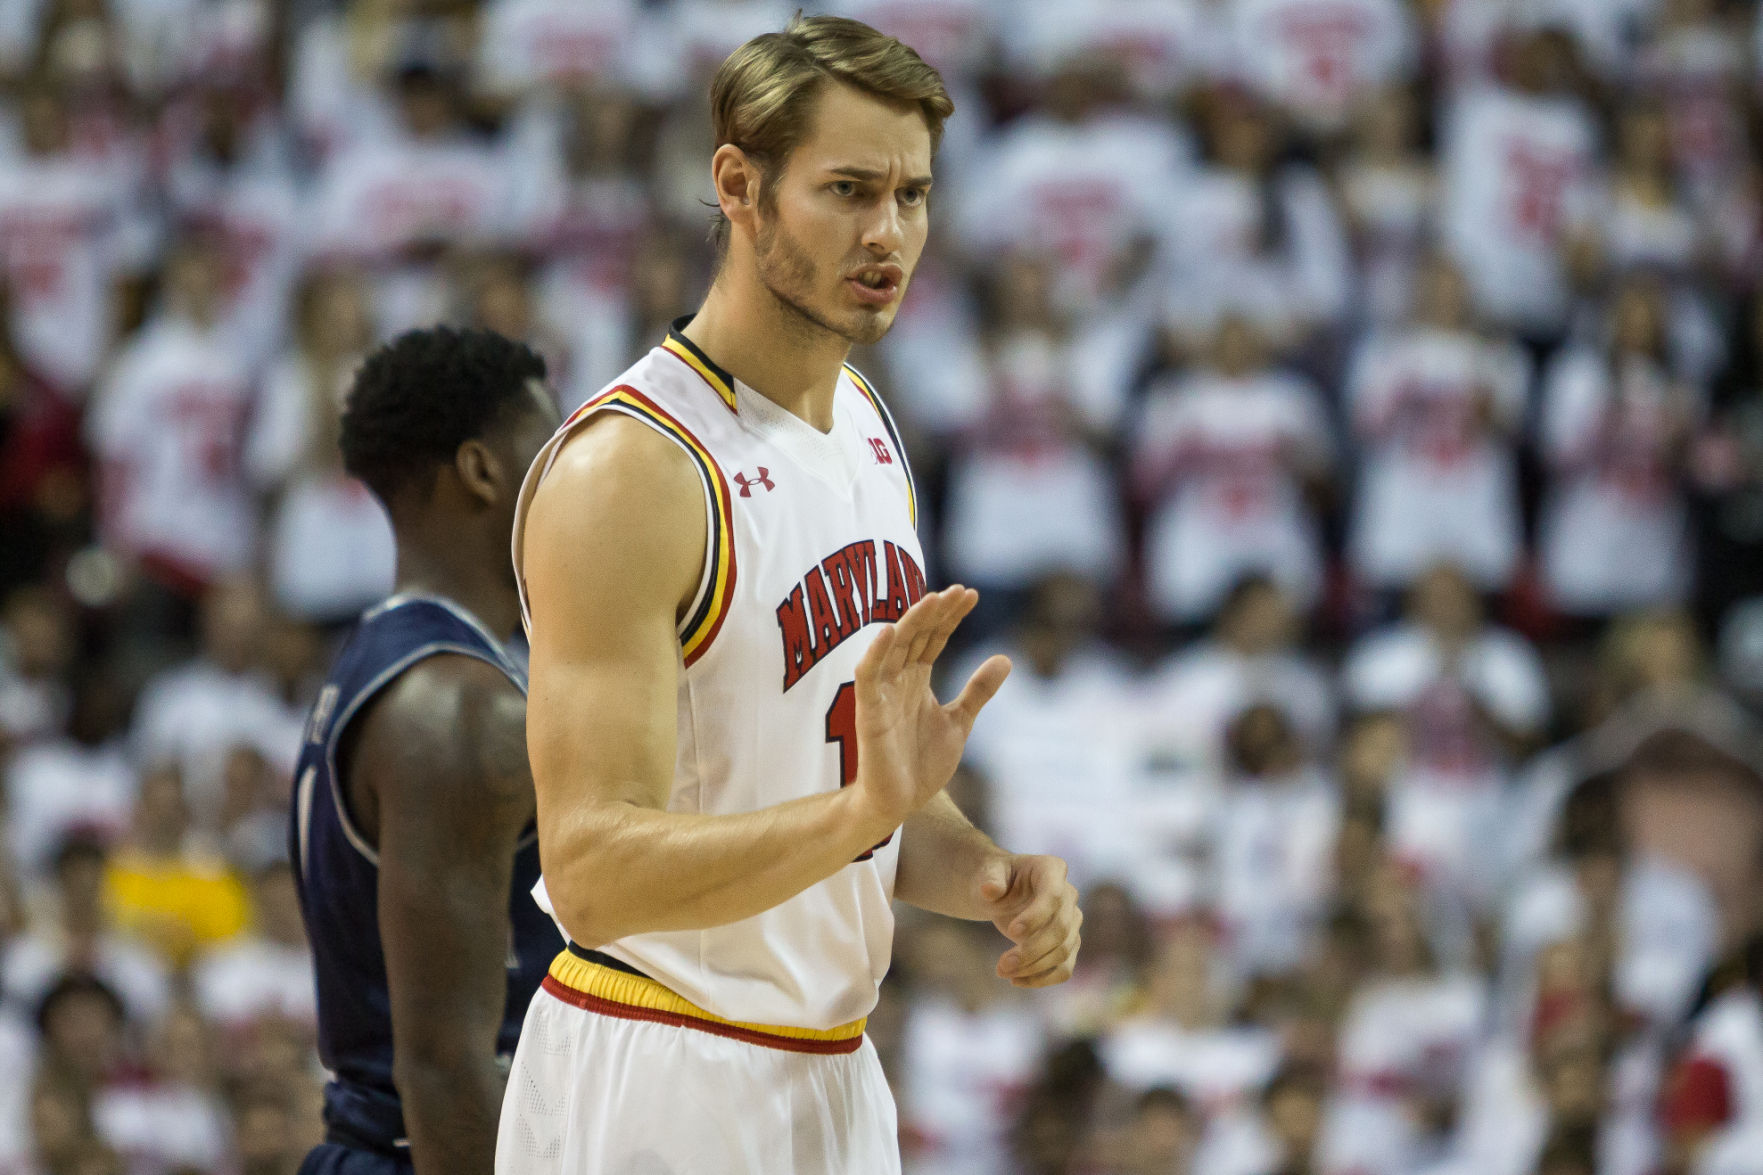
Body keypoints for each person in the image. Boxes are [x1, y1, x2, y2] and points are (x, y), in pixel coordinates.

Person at [498, 16, 1082, 1174]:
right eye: (848, 190)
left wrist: (983, 873)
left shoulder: (863, 424)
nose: (889, 234)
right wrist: (861, 815)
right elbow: (592, 871)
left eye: (912, 195)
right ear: (738, 185)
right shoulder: (636, 470)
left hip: (831, 1062)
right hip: (657, 1061)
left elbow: (846, 804)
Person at [289, 326, 563, 1175]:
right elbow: (446, 1063)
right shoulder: (457, 707)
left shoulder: (403, 659)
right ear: (483, 470)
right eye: (547, 449)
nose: (572, 476)